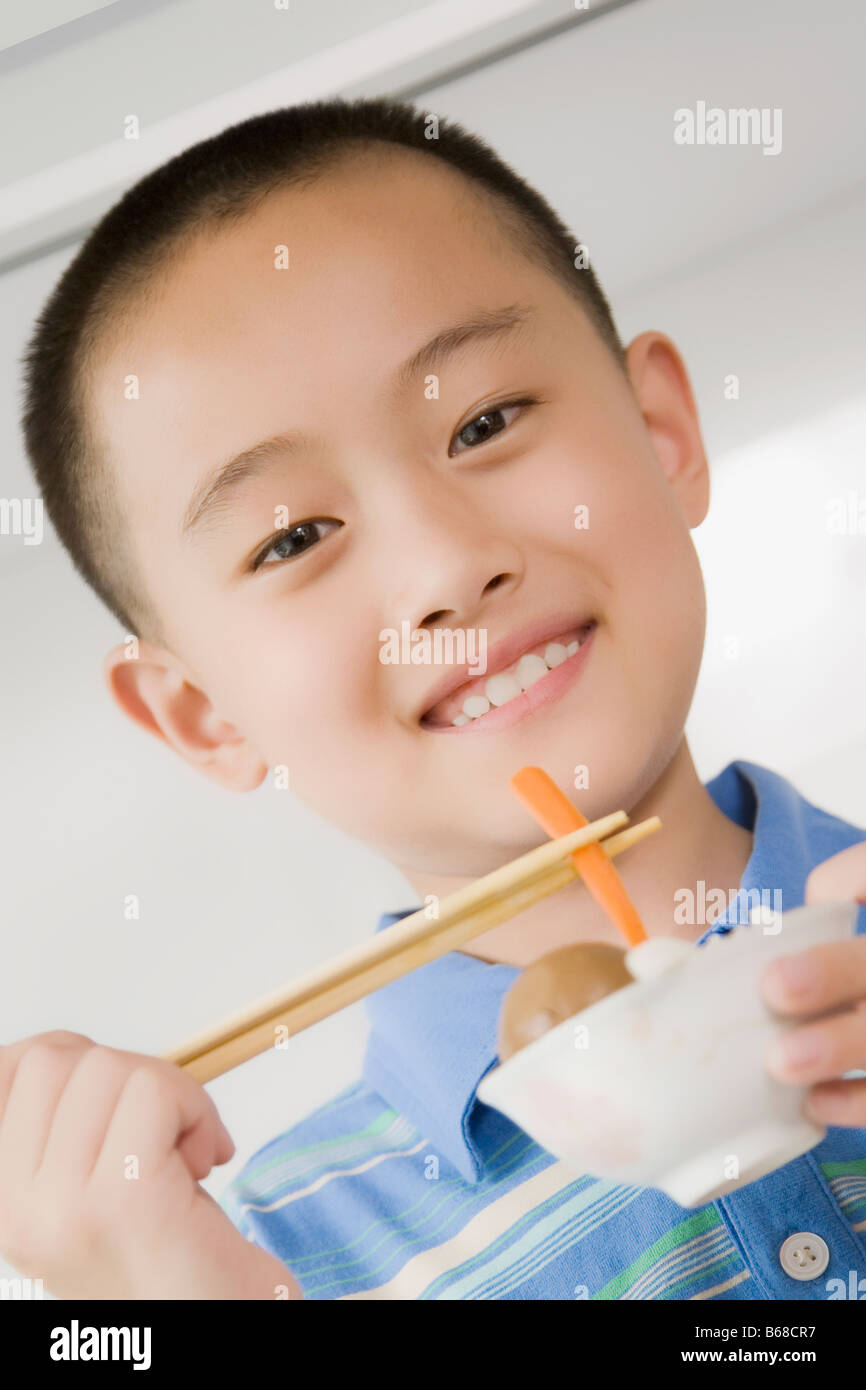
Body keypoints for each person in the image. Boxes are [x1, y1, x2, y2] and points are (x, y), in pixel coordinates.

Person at [4, 98, 865, 1300]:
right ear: (202, 714)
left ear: (661, 432)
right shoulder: (251, 1264)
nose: (444, 566)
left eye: (485, 420)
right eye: (294, 535)